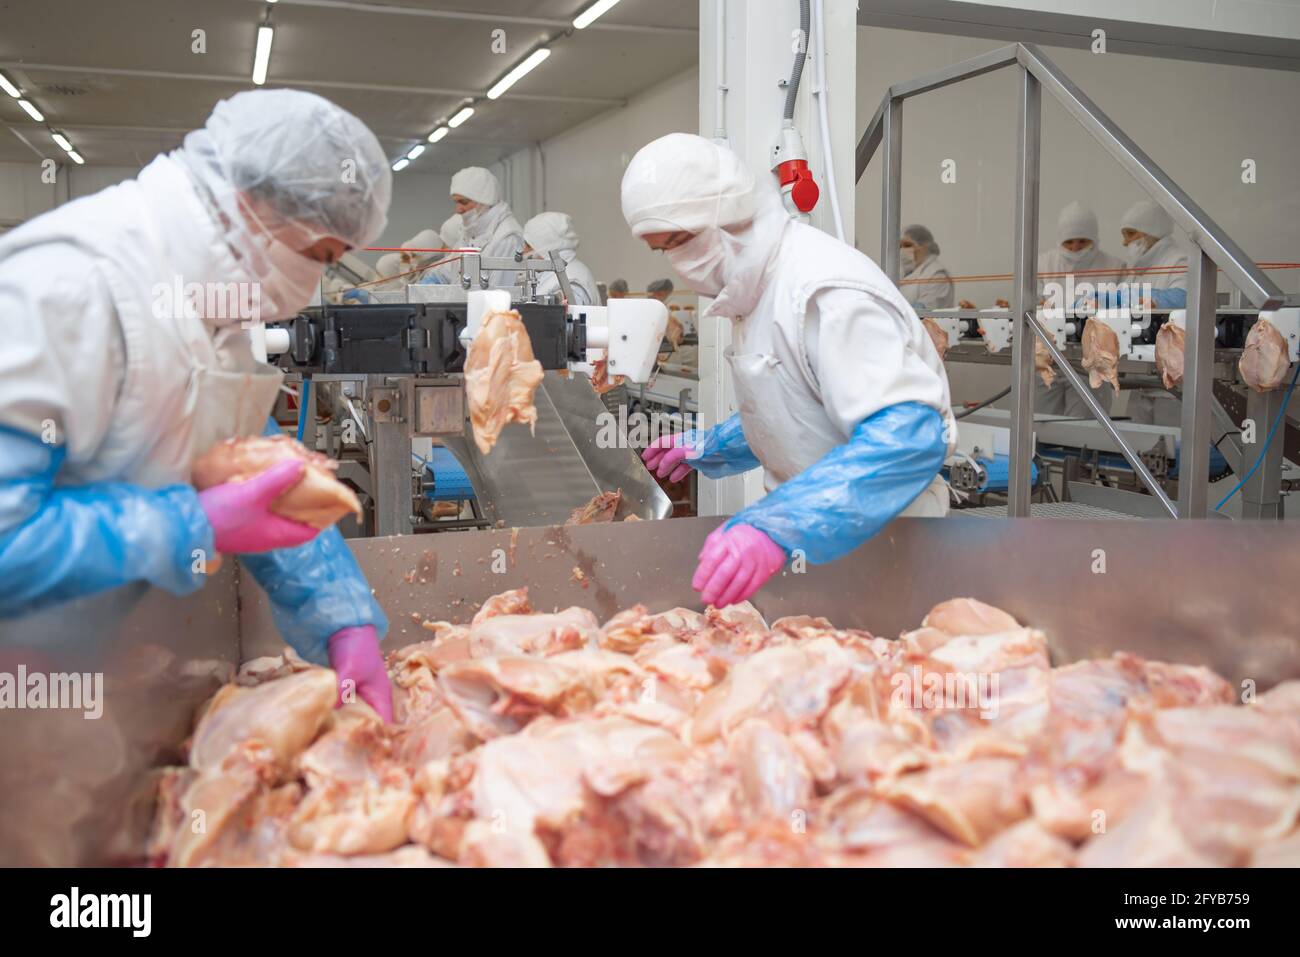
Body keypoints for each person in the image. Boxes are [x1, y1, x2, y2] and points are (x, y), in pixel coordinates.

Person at [0, 89, 395, 720]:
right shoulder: (66, 288)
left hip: (96, 692)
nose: (313, 283)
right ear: (251, 206)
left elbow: (256, 474)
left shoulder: (213, 303)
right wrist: (192, 524)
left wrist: (341, 618)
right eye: (318, 256)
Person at [625, 133, 954, 609]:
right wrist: (715, 445)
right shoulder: (756, 289)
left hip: (885, 546)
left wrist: (777, 526)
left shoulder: (823, 288)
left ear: (730, 214)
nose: (678, 263)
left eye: (680, 241)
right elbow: (803, 400)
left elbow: (909, 439)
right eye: (663, 250)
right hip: (809, 548)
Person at [1036, 201, 1125, 416]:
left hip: (1092, 367)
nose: (1075, 248)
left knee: (1084, 433)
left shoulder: (1114, 267)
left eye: (1082, 241)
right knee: (1038, 427)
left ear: (1093, 239)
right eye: (1069, 242)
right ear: (1060, 240)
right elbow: (1031, 305)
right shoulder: (1043, 264)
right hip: (1047, 362)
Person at [448, 166, 525, 289]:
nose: (458, 209)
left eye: (464, 202)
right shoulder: (470, 232)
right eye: (456, 202)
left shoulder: (507, 237)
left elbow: (498, 292)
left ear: (485, 200)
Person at [520, 211, 598, 305]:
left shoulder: (571, 282)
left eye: (529, 245)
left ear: (545, 247)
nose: (524, 251)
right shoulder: (554, 273)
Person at [899, 224, 955, 312]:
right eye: (900, 246)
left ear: (924, 246)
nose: (902, 250)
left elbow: (926, 309)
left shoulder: (937, 275)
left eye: (907, 245)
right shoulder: (908, 273)